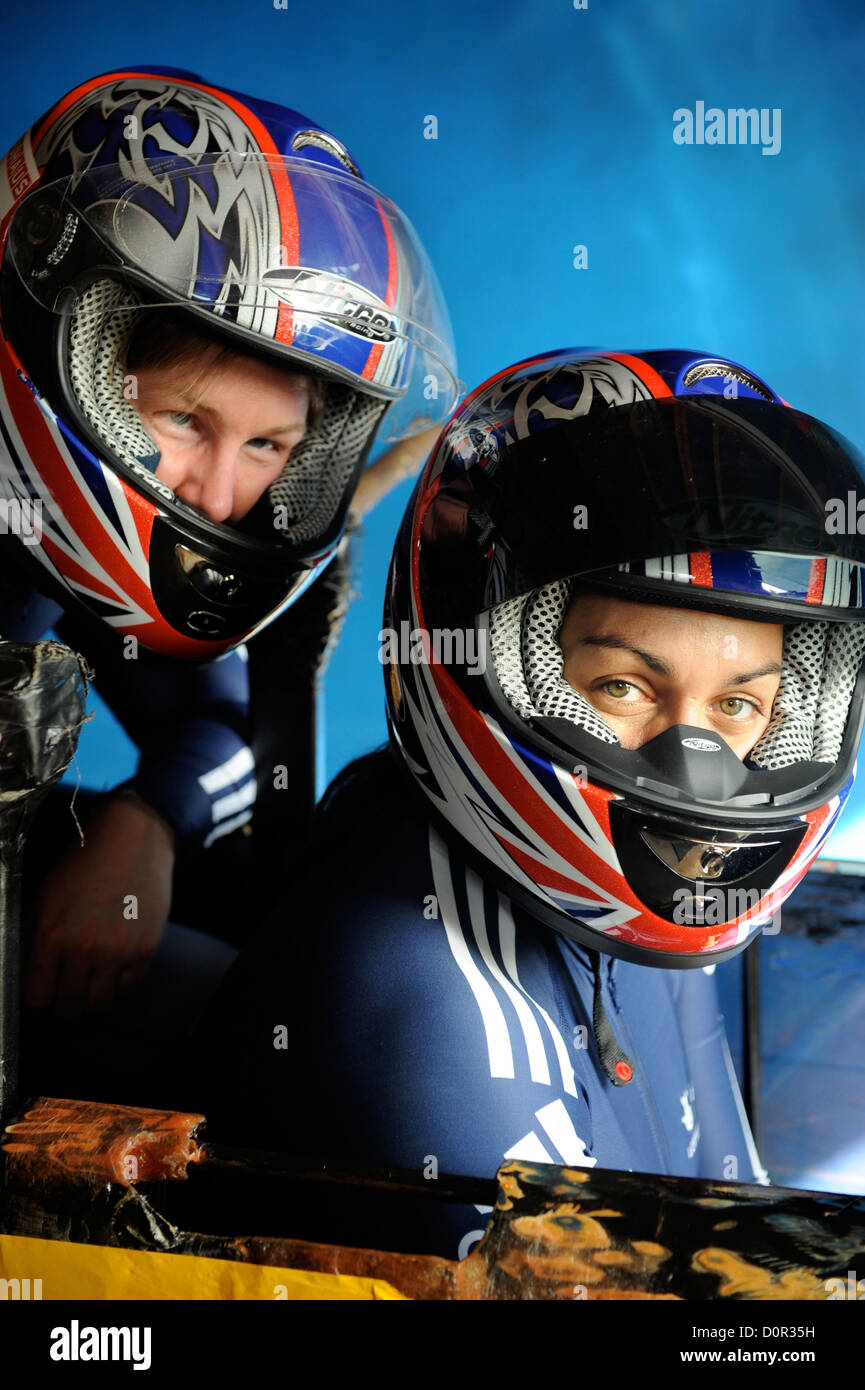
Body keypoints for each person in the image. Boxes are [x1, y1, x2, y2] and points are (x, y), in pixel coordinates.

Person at [192, 348, 865, 1258]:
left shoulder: (645, 925)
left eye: (738, 705)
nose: (698, 767)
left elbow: (729, 1223)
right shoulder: (415, 987)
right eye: (624, 686)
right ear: (484, 651)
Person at [0, 66, 457, 1022]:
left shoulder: (56, 544)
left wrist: (145, 822)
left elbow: (215, 731)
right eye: (180, 420)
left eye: (267, 446)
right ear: (62, 347)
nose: (217, 495)